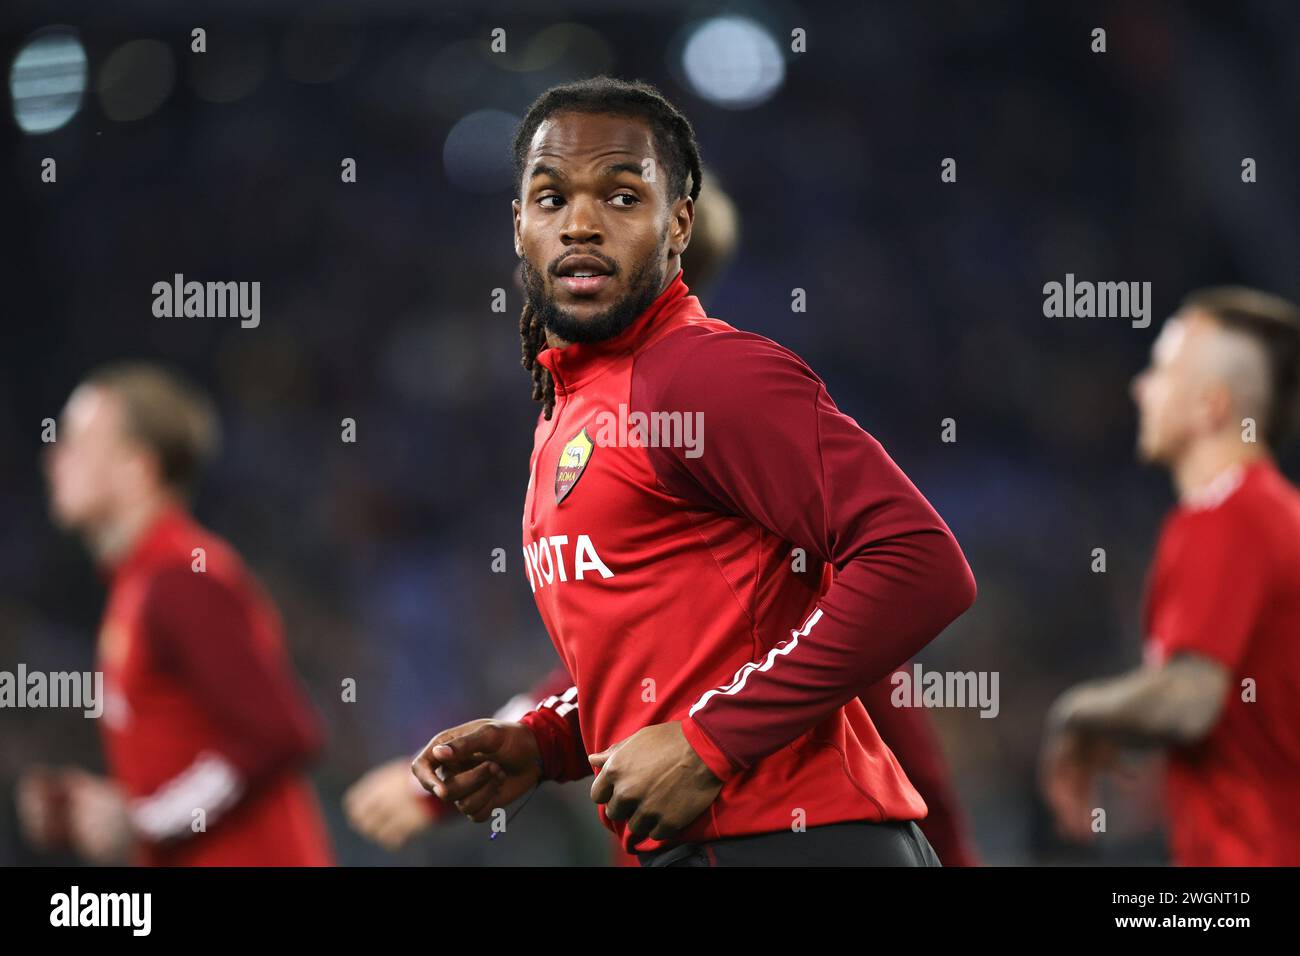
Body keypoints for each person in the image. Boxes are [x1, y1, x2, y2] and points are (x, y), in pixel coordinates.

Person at [411, 76, 977, 866]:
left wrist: (713, 742)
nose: (580, 223)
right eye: (550, 199)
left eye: (621, 196)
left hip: (797, 844)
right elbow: (686, 660)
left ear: (679, 223)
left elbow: (921, 562)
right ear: (518, 226)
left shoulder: (703, 375)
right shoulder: (568, 406)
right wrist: (543, 742)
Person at [18, 363, 333, 866]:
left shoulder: (181, 576)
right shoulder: (140, 583)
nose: (53, 459)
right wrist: (109, 810)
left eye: (76, 442)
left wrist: (141, 821)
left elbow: (281, 734)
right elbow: (200, 755)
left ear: (136, 467)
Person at [1041, 287, 1300, 866]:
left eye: (1161, 369)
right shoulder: (1271, 513)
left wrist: (1080, 710)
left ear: (1211, 404)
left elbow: (1190, 698)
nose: (1141, 387)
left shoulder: (1230, 517)